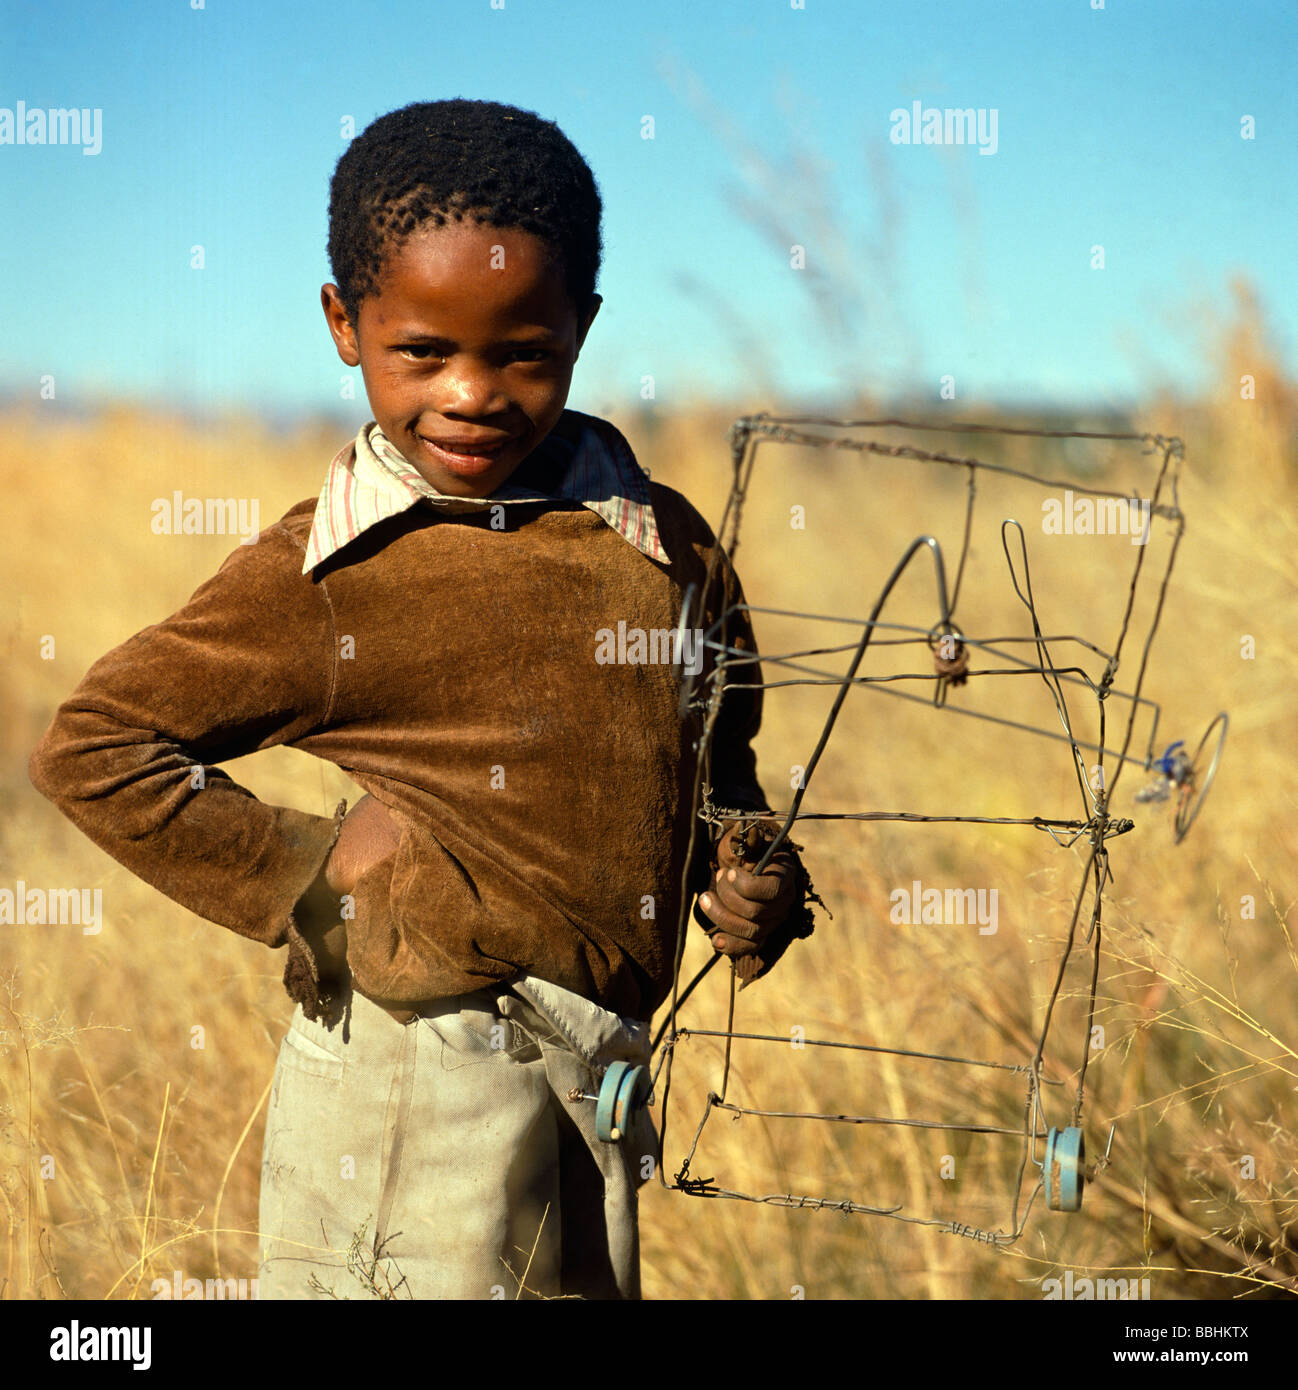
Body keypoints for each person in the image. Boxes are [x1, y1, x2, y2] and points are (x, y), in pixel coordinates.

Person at [27, 98, 820, 1300]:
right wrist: (320, 868)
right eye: (422, 352)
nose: (472, 394)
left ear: (583, 330)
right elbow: (96, 746)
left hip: (596, 1073)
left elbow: (719, 757)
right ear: (346, 325)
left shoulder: (663, 546)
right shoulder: (339, 570)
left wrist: (743, 867)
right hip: (413, 1080)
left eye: (523, 353)